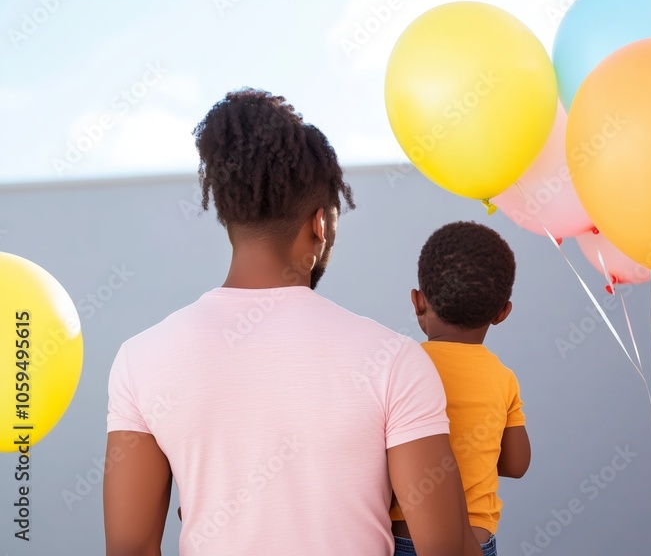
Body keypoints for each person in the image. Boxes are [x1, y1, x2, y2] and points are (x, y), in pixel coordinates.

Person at [103, 88, 483, 556]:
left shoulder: (140, 359)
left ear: (229, 216)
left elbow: (129, 548)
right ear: (320, 225)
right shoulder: (395, 361)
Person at [390, 221, 532, 556]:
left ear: (418, 302)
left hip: (404, 538)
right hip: (477, 540)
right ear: (502, 312)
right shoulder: (502, 378)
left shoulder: (400, 366)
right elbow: (516, 464)